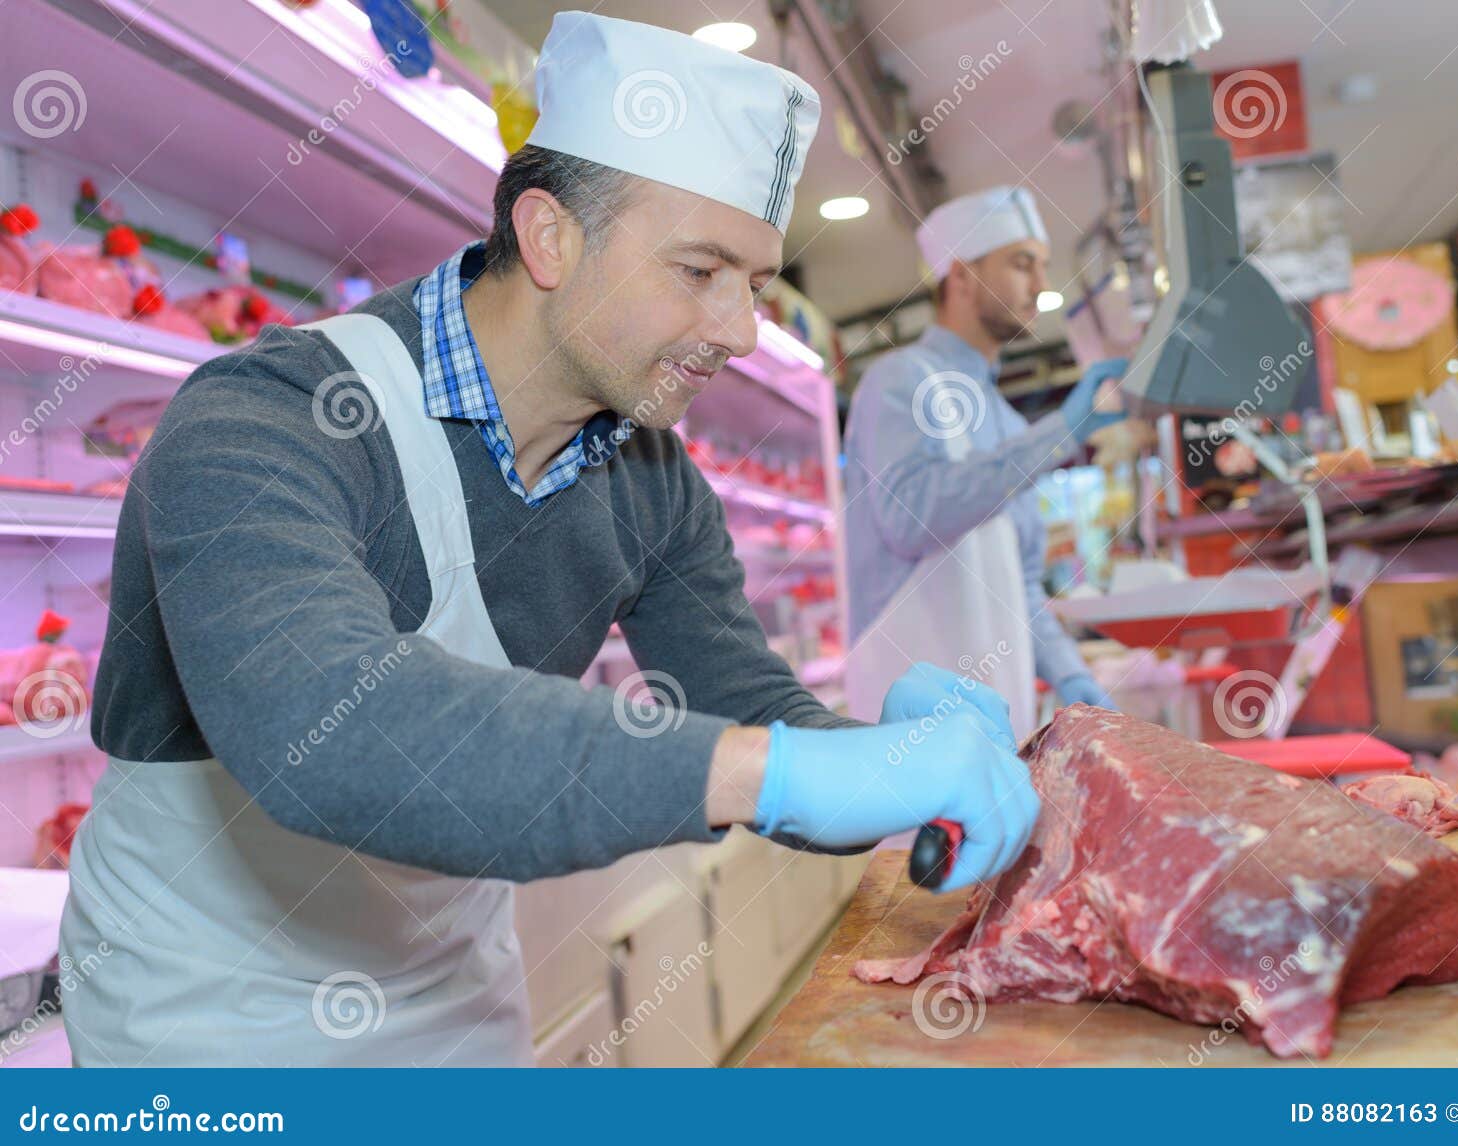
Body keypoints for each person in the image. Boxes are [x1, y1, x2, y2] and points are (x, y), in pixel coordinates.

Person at [58, 12, 1037, 1067]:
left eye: (753, 285)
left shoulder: (652, 485)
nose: (741, 330)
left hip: (455, 1009)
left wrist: (870, 753)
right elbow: (329, 732)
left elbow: (748, 715)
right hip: (202, 1024)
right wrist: (785, 770)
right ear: (549, 236)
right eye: (699, 270)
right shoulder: (267, 420)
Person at [843, 186, 1127, 739]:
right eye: (1022, 264)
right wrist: (1063, 431)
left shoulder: (1009, 422)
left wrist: (1072, 676)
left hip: (1000, 713)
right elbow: (911, 519)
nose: (1040, 285)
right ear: (962, 277)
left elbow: (1018, 585)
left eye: (1043, 267)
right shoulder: (901, 380)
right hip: (906, 721)